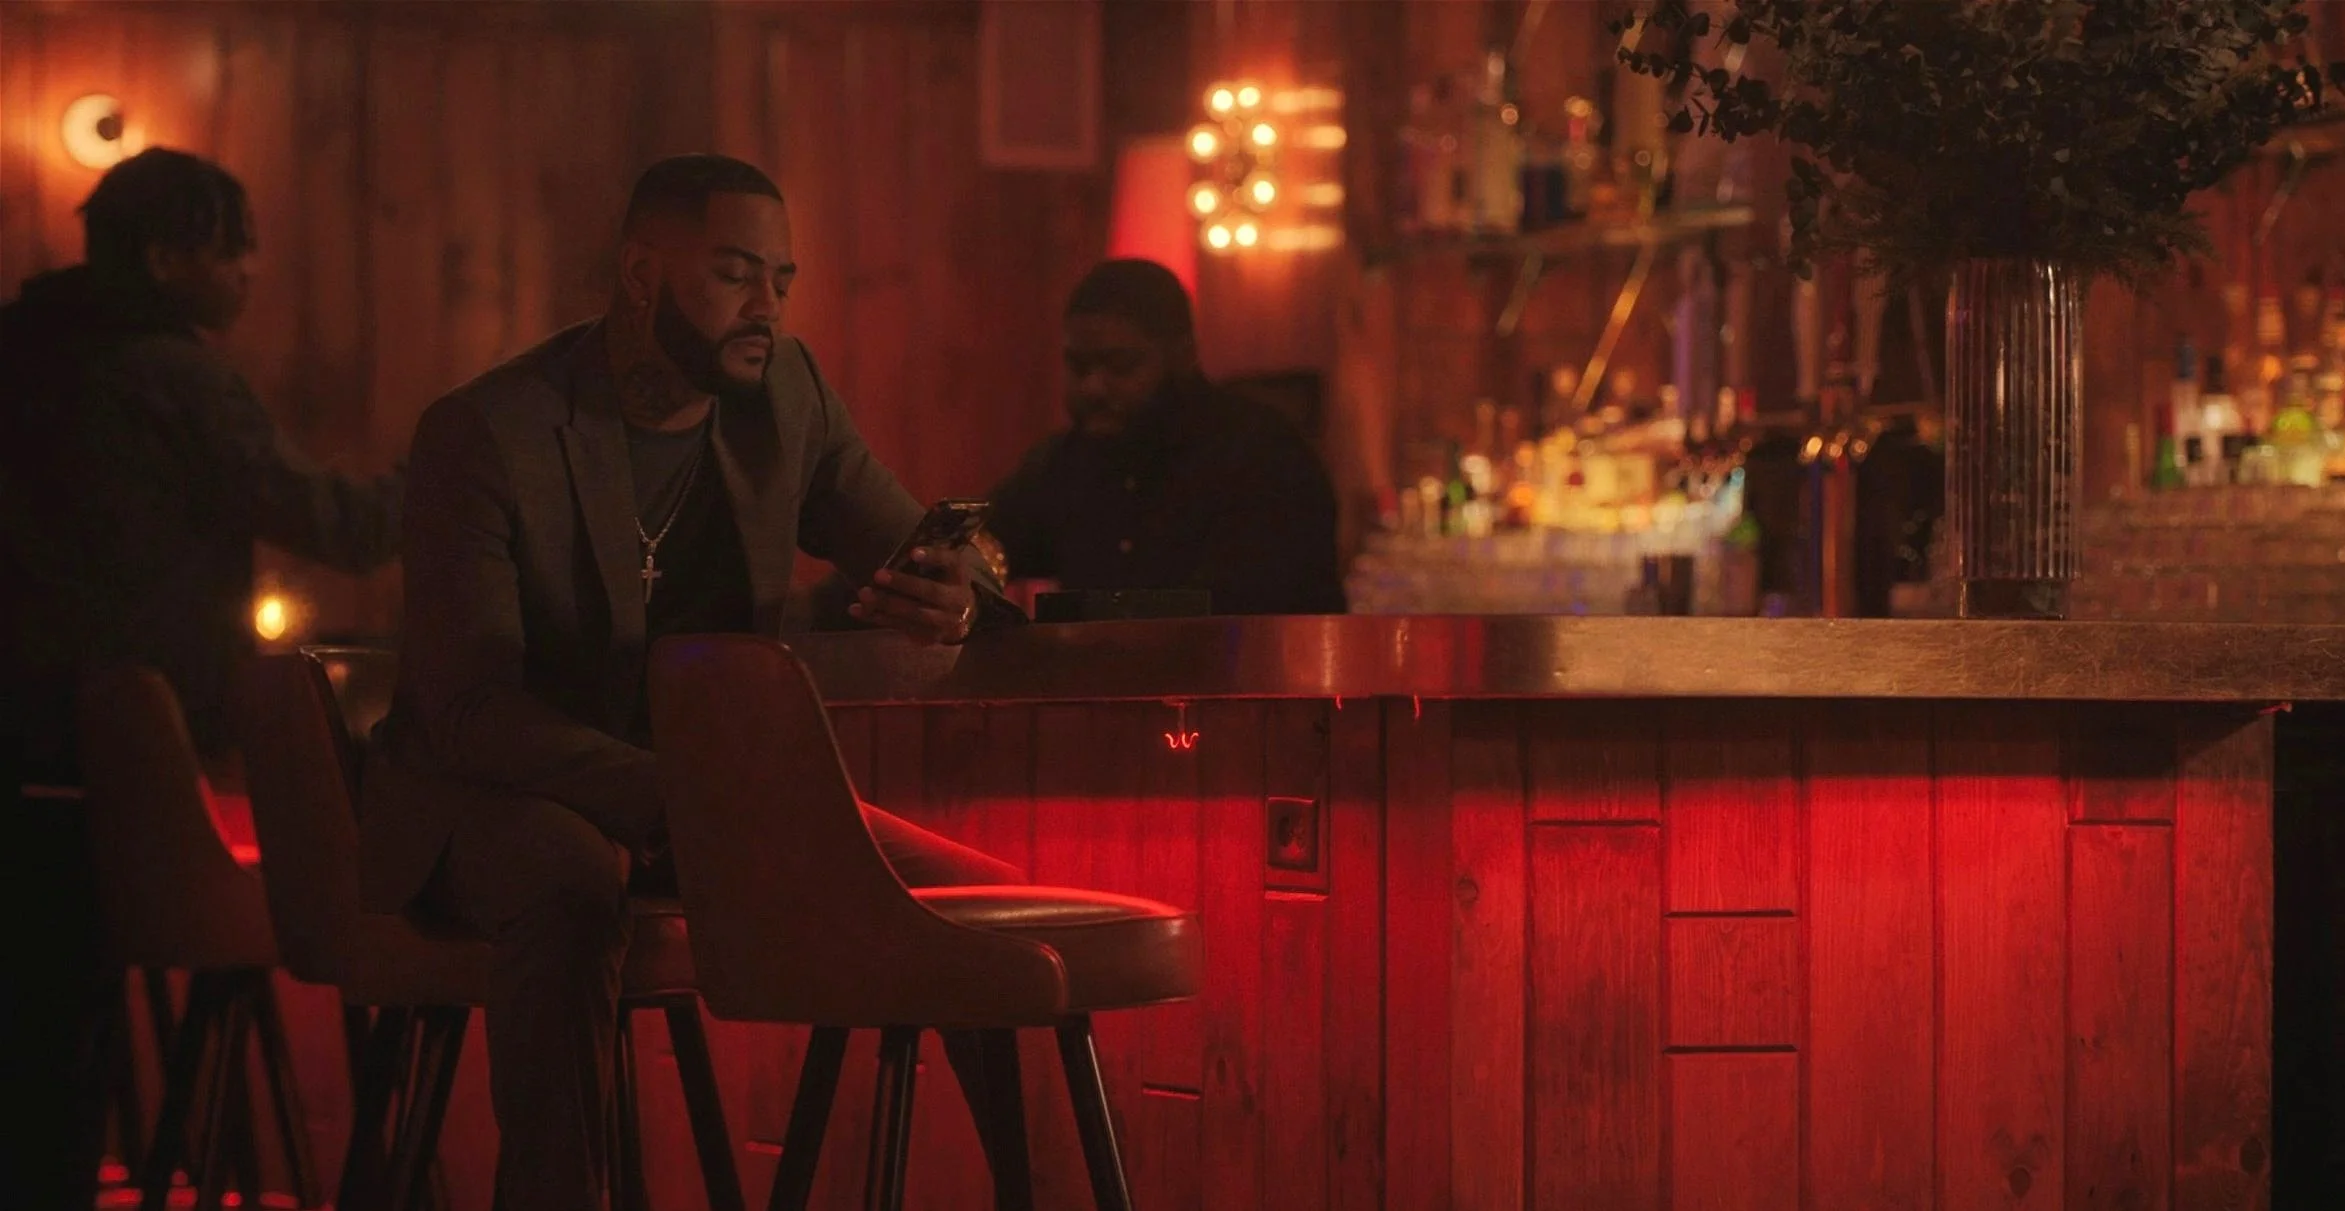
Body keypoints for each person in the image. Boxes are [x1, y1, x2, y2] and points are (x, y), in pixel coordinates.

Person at [360, 154, 1026, 1211]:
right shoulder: (490, 430)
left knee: (984, 911)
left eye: (782, 279)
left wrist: (960, 595)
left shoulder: (787, 396)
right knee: (571, 876)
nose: (767, 307)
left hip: (697, 800)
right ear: (640, 275)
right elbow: (467, 711)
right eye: (733, 273)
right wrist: (675, 795)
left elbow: (931, 551)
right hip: (486, 797)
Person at [0, 147, 401, 1210]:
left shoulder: (21, 350)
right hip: (117, 776)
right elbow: (339, 528)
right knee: (62, 1046)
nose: (251, 271)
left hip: (27, 752)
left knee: (37, 1044)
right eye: (236, 250)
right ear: (167, 257)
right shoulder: (173, 376)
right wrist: (455, 472)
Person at [985, 258, 1346, 615]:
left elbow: (1250, 608)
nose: (1093, 387)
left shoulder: (1260, 454)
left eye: (1121, 366)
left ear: (1183, 355)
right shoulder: (1066, 461)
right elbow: (989, 541)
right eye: (1079, 367)